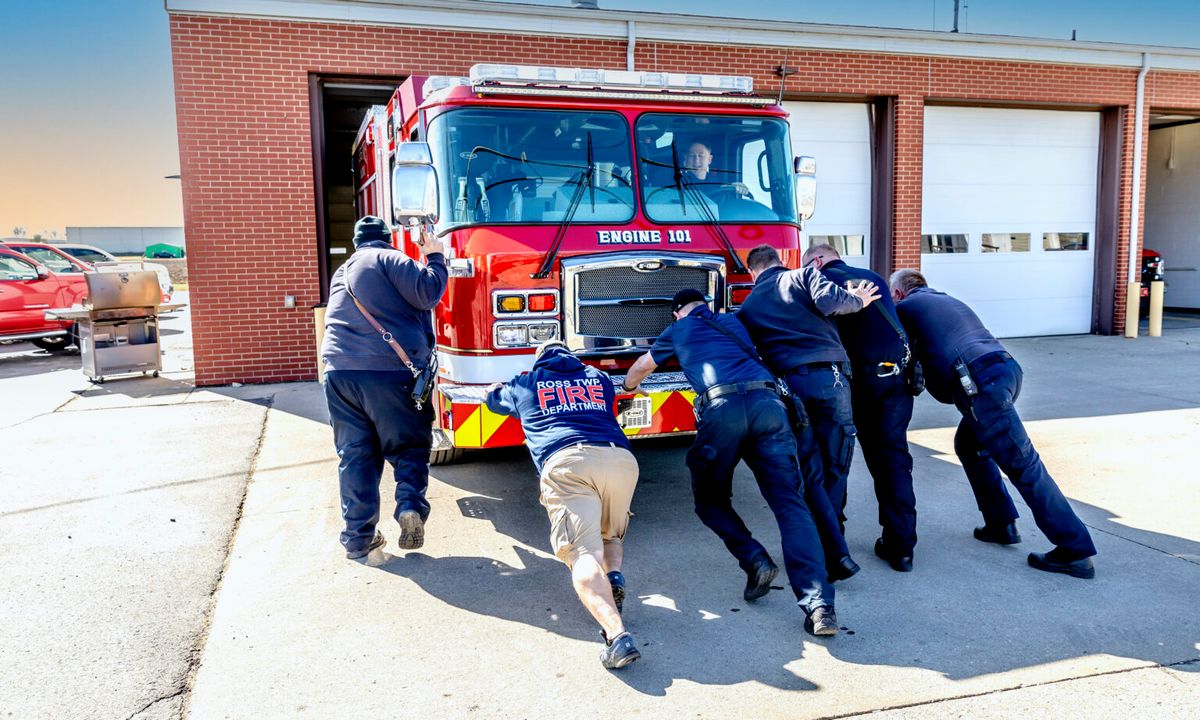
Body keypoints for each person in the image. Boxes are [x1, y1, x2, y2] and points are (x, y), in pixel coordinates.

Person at [623, 288, 839, 636]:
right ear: (707, 306)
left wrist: (630, 391)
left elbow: (640, 368)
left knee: (710, 500)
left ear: (677, 312)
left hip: (721, 411)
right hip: (768, 406)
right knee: (790, 505)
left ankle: (754, 559)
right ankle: (819, 606)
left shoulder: (677, 330)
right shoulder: (734, 321)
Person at [889, 269, 1097, 579]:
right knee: (970, 445)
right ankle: (1001, 524)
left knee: (1024, 465)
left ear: (897, 294)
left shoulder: (906, 308)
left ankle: (1075, 550)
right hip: (1006, 371)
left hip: (980, 385)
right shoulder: (943, 299)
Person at [485, 340, 642, 669]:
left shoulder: (526, 383)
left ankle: (617, 637)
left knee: (582, 554)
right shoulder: (597, 378)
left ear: (539, 363)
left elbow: (493, 403)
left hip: (568, 464)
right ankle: (612, 579)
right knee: (610, 535)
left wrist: (495, 388)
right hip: (621, 458)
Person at [736, 244, 879, 579]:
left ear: (752, 272)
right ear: (780, 261)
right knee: (837, 464)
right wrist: (859, 299)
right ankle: (835, 547)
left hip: (789, 390)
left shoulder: (749, 306)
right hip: (830, 380)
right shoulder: (804, 275)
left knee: (809, 472)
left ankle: (824, 550)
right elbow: (832, 302)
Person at [321, 216, 447, 559]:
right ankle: (409, 506)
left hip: (338, 373)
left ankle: (359, 538)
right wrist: (435, 257)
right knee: (408, 445)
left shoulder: (342, 271)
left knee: (355, 455)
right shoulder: (390, 258)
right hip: (388, 372)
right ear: (387, 239)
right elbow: (428, 292)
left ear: (356, 240)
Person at [804, 244, 918, 572]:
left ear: (816, 260)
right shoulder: (874, 279)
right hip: (895, 380)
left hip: (856, 383)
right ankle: (901, 549)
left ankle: (832, 546)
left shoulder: (820, 283)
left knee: (834, 460)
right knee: (893, 460)